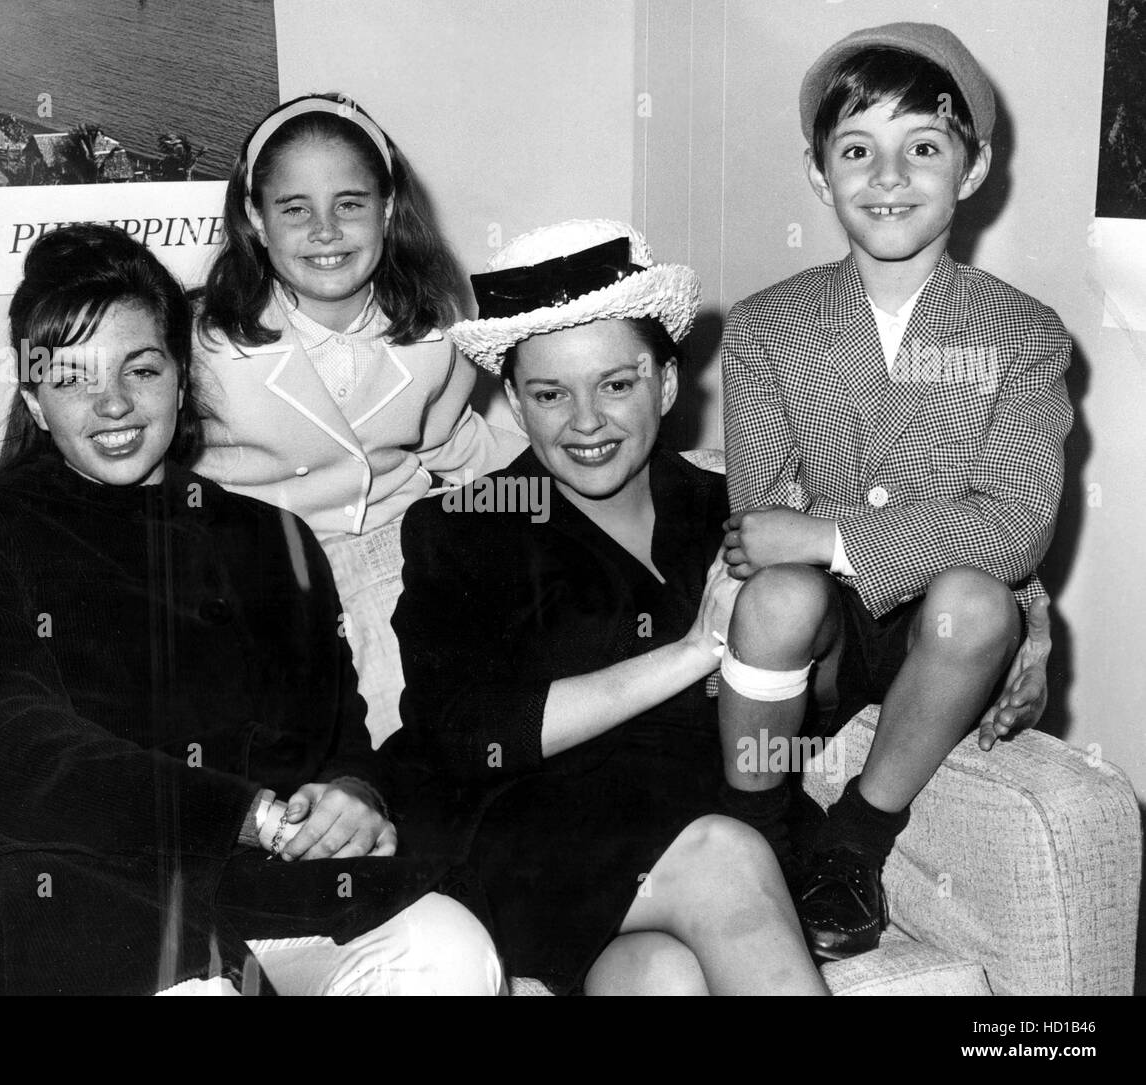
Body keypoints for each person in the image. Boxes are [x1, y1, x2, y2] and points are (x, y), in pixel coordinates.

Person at [0, 224, 502, 996]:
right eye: (72, 378)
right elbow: (2, 745)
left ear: (180, 378)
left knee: (452, 946)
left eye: (142, 368)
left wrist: (354, 797)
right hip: (61, 897)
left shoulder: (274, 541)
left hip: (255, 893)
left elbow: (340, 738)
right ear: (35, 403)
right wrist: (247, 814)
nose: (114, 403)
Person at [0, 93, 525, 748]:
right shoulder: (201, 340)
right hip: (266, 582)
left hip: (395, 557)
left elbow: (455, 441)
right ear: (256, 221)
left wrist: (562, 478)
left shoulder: (440, 329)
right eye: (295, 209)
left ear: (388, 209)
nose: (325, 232)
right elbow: (94, 438)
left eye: (350, 204)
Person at [387, 219, 829, 996]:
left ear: (664, 382)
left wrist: (1018, 615)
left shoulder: (735, 510)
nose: (585, 422)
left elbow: (826, 687)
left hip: (684, 852)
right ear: (516, 406)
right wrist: (694, 651)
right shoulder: (461, 530)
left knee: (665, 979)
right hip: (539, 848)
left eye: (616, 385)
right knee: (724, 851)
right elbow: (467, 734)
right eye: (550, 394)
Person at [718, 22, 1072, 960]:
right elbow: (760, 530)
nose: (888, 176)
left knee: (972, 597)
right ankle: (755, 818)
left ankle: (855, 838)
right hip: (821, 637)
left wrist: (827, 535)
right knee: (781, 590)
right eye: (856, 150)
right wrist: (807, 548)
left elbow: (1013, 528)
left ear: (974, 165)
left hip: (936, 638)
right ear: (817, 173)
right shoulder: (765, 327)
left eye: (923, 147)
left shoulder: (1023, 334)